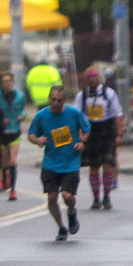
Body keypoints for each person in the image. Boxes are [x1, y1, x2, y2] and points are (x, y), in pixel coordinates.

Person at [27, 85, 91, 241]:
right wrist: (37, 140)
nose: (56, 103)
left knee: (67, 196)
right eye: (53, 99)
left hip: (70, 162)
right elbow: (31, 134)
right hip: (50, 163)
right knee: (52, 198)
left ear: (64, 100)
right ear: (49, 99)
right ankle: (62, 227)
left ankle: (71, 211)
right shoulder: (41, 116)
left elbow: (86, 128)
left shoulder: (74, 113)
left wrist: (82, 142)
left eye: (59, 100)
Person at [74, 68, 125, 210]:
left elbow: (117, 114)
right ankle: (96, 198)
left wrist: (118, 134)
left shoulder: (109, 93)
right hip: (90, 131)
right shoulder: (82, 95)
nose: (92, 79)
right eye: (89, 77)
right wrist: (79, 135)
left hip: (106, 130)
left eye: (94, 77)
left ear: (99, 78)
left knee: (107, 163)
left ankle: (107, 196)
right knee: (94, 165)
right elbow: (77, 115)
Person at [0, 72, 27, 200]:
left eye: (9, 81)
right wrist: (0, 120)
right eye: (4, 81)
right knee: (4, 161)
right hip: (1, 132)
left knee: (13, 160)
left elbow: (22, 110)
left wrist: (22, 116)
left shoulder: (20, 96)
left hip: (14, 131)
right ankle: (5, 177)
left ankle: (13, 190)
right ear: (0, 83)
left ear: (13, 82)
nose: (7, 83)